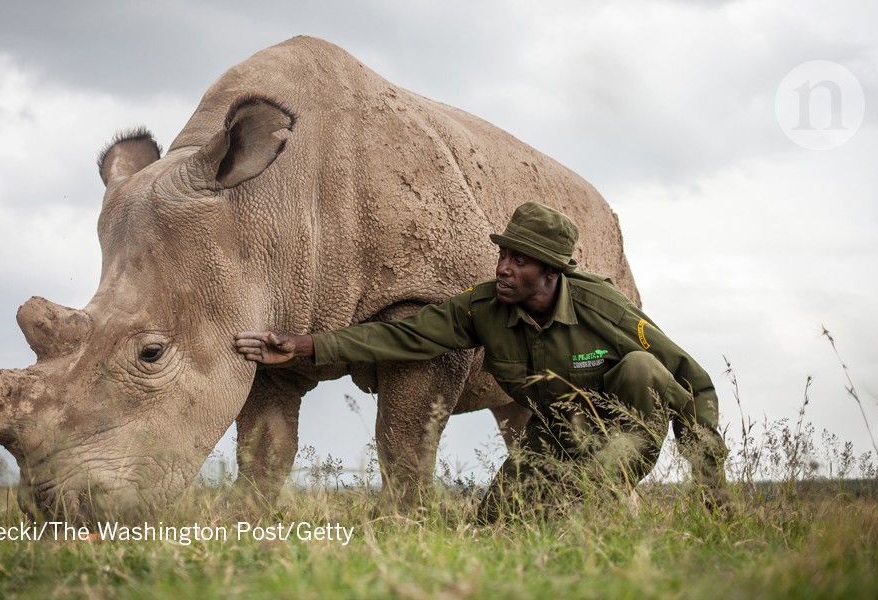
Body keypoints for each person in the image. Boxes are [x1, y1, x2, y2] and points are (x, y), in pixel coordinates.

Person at [235, 202, 727, 522]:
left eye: (519, 260)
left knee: (641, 367)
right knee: (491, 527)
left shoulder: (602, 307)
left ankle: (598, 499)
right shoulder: (485, 308)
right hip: (555, 434)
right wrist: (304, 346)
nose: (503, 267)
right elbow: (405, 335)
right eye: (504, 254)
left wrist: (712, 484)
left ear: (551, 272)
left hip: (624, 434)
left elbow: (690, 379)